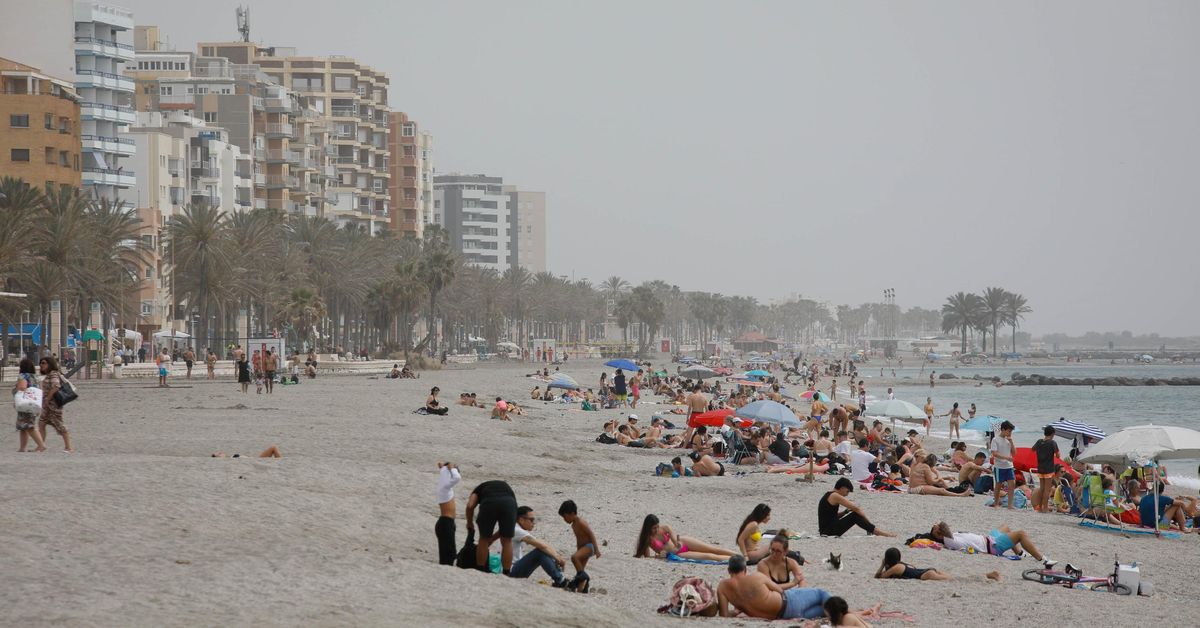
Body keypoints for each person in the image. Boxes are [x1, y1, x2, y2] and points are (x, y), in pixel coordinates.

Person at [716, 554, 832, 620]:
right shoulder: (757, 577)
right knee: (821, 594)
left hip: (784, 616)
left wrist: (738, 610)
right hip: (790, 602)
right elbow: (779, 589)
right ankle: (847, 615)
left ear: (728, 570)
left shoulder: (722, 587)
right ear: (745, 570)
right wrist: (793, 583)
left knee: (823, 611)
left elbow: (724, 615)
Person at [929, 522, 1054, 566]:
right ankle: (1042, 559)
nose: (939, 525)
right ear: (940, 534)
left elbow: (944, 528)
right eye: (937, 527)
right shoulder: (950, 540)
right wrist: (938, 531)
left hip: (988, 539)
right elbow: (944, 527)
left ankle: (1021, 553)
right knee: (1021, 534)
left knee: (1005, 527)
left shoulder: (950, 536)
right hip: (992, 547)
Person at [506, 506, 568, 587]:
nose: (534, 523)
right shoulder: (517, 530)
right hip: (510, 571)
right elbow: (541, 546)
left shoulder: (516, 528)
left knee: (543, 550)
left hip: (513, 568)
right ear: (521, 520)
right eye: (531, 520)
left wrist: (557, 556)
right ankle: (560, 579)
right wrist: (557, 558)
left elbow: (544, 544)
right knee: (540, 552)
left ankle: (560, 578)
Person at [465, 480, 518, 573]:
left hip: (489, 503)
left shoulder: (477, 490)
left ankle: (480, 570)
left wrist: (469, 523)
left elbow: (470, 506)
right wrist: (493, 538)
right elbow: (503, 530)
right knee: (507, 541)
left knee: (483, 539)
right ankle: (506, 572)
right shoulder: (507, 488)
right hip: (509, 503)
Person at [634, 514, 737, 561]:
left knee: (713, 549)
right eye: (653, 528)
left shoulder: (665, 528)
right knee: (709, 556)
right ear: (648, 528)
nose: (656, 530)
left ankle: (740, 556)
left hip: (683, 542)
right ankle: (736, 560)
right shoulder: (647, 539)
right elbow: (646, 557)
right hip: (678, 554)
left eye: (657, 527)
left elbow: (675, 541)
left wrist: (677, 543)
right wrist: (657, 556)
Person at [819, 478, 894, 537]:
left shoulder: (829, 495)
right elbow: (856, 508)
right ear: (842, 488)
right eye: (847, 491)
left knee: (854, 514)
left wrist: (845, 512)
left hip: (826, 530)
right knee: (855, 515)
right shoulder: (835, 495)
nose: (847, 494)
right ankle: (879, 532)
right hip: (828, 532)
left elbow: (831, 516)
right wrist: (868, 522)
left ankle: (874, 530)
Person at [875, 547, 1000, 582]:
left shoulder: (896, 568)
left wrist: (882, 565)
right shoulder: (901, 564)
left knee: (959, 579)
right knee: (956, 577)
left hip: (926, 575)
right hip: (928, 571)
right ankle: (988, 574)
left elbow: (879, 577)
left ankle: (990, 575)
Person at [558, 500, 599, 591]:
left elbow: (591, 534)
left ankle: (584, 577)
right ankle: (581, 590)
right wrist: (579, 550)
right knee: (580, 571)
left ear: (572, 513)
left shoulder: (580, 522)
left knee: (574, 558)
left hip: (589, 547)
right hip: (583, 548)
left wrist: (596, 550)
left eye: (565, 517)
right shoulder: (573, 525)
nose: (564, 520)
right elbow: (579, 539)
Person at [37, 356, 73, 453]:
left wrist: (47, 399)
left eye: (44, 363)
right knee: (41, 423)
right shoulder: (49, 375)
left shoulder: (53, 374)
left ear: (49, 364)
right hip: (47, 405)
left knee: (59, 424)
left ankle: (69, 447)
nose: (41, 365)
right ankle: (41, 446)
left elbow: (56, 386)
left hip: (53, 405)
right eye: (41, 363)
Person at [13, 358, 47, 452]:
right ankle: (22, 448)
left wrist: (18, 391)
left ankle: (41, 445)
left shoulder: (23, 376)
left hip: (25, 404)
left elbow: (22, 387)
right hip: (34, 403)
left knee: (29, 426)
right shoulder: (36, 377)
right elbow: (40, 390)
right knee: (23, 427)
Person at [435, 462, 461, 566]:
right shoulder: (445, 488)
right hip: (446, 523)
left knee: (447, 555)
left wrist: (444, 468)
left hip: (446, 523)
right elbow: (457, 478)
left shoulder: (443, 487)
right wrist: (452, 469)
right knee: (449, 557)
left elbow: (445, 475)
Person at [1032, 426, 1060, 513]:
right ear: (1052, 434)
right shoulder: (1052, 443)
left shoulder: (1039, 442)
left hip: (1040, 468)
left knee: (1042, 489)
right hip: (1049, 469)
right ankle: (1045, 508)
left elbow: (1033, 449)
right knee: (1047, 490)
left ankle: (1040, 507)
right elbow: (1058, 455)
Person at [989, 421, 1017, 509]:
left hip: (1009, 466)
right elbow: (994, 453)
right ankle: (996, 503)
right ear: (1003, 430)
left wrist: (1011, 442)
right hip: (999, 466)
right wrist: (1006, 457)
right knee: (998, 484)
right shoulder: (995, 439)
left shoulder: (1008, 440)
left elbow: (1014, 453)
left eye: (1011, 431)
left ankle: (1010, 505)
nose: (1010, 433)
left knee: (1012, 484)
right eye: (1009, 431)